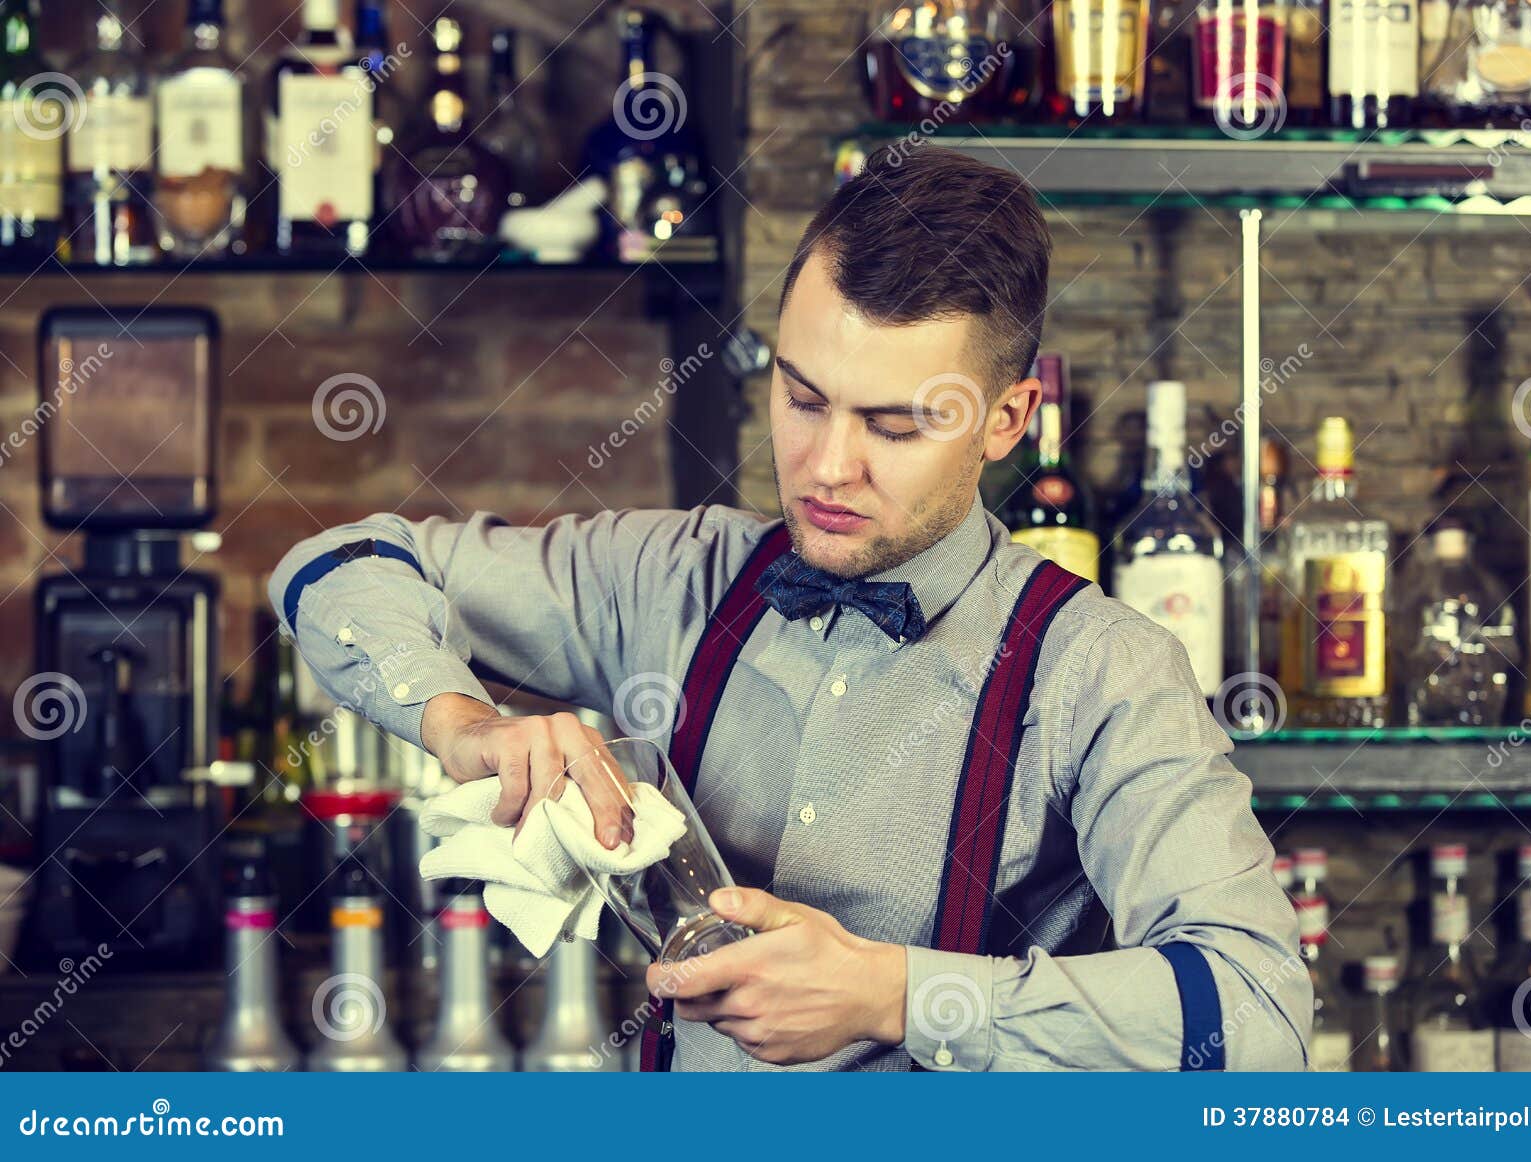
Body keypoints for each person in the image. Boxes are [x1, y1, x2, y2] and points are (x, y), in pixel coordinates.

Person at [269, 145, 1311, 1072]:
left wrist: (898, 996)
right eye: (803, 397)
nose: (825, 466)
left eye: (894, 426)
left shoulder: (1101, 671)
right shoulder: (671, 575)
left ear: (1006, 420)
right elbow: (339, 564)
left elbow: (1258, 1012)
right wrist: (462, 722)